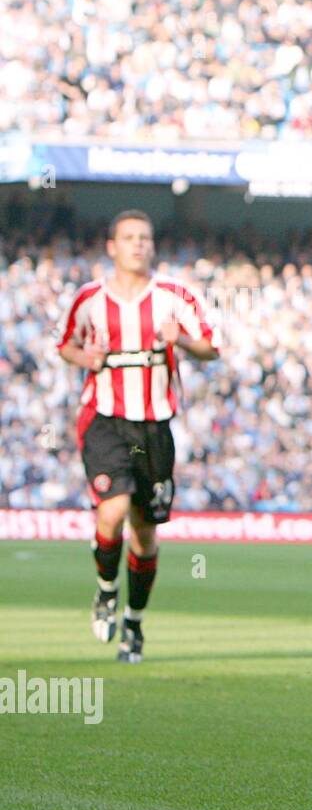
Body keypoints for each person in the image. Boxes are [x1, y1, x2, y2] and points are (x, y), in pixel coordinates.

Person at [57, 210, 218, 662]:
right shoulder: (89, 298)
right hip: (105, 419)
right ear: (112, 247)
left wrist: (179, 340)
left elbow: (211, 346)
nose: (138, 245)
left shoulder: (174, 296)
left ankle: (134, 621)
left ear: (153, 246)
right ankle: (106, 589)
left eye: (144, 238)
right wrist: (85, 358)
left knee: (145, 534)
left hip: (153, 426)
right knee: (112, 510)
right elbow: (65, 344)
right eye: (128, 238)